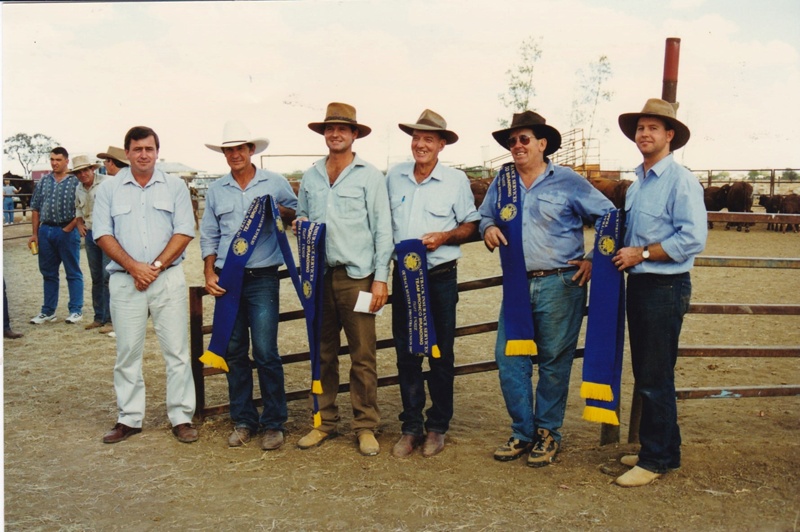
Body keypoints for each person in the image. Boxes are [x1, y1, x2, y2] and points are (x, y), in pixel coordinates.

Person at [479, 110, 614, 467]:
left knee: (554, 362)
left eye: (524, 139)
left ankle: (547, 433)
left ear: (542, 144)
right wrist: (488, 227)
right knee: (509, 360)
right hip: (516, 284)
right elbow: (485, 214)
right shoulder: (503, 181)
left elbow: (609, 216)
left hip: (560, 282)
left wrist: (593, 258)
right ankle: (522, 431)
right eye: (512, 141)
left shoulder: (568, 180)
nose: (517, 145)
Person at [612, 98, 707, 487]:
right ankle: (665, 449)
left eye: (653, 128)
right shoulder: (638, 185)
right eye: (640, 128)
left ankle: (654, 460)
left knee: (654, 374)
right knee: (650, 371)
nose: (644, 134)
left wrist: (644, 253)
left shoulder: (680, 180)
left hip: (664, 286)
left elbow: (692, 238)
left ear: (670, 135)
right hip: (642, 284)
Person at [293, 102, 392, 456]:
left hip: (358, 277)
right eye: (329, 129)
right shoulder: (311, 176)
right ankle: (324, 422)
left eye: (342, 129)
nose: (335, 134)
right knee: (323, 353)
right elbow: (302, 217)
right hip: (320, 277)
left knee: (363, 354)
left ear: (354, 134)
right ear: (324, 134)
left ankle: (365, 426)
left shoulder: (369, 176)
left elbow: (383, 230)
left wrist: (380, 278)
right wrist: (301, 225)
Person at [93, 126, 198, 444]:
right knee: (127, 352)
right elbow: (102, 234)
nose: (143, 155)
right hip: (126, 282)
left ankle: (181, 417)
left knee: (177, 351)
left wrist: (154, 267)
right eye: (137, 149)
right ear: (126, 153)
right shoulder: (108, 189)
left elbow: (184, 231)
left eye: (149, 149)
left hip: (167, 279)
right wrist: (133, 267)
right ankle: (129, 418)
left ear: (157, 152)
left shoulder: (175, 186)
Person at [386, 109, 479, 458]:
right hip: (404, 277)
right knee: (407, 354)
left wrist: (445, 236)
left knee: (441, 354)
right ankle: (410, 427)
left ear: (442, 144)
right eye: (416, 138)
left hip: (439, 277)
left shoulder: (455, 181)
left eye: (428, 139)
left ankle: (437, 427)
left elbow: (470, 225)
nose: (420, 144)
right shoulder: (394, 177)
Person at [200, 120, 297, 450]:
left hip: (263, 276)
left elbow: (295, 213)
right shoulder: (217, 190)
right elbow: (209, 234)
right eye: (228, 150)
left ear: (251, 150)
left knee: (266, 351)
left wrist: (276, 210)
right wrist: (209, 271)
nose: (234, 154)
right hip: (228, 277)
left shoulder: (275, 182)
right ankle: (243, 420)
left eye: (240, 148)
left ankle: (274, 422)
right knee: (234, 350)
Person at [28, 147, 84, 325]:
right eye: (52, 159)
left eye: (58, 159)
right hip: (46, 230)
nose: (54, 163)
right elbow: (35, 208)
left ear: (66, 160)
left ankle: (75, 310)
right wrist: (35, 234)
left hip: (67, 231)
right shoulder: (44, 181)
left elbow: (82, 207)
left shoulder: (76, 181)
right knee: (48, 273)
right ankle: (48, 311)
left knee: (72, 272)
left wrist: (69, 227)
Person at [93, 146, 130, 336]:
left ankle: (117, 323)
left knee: (113, 279)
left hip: (116, 240)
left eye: (106, 161)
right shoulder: (117, 184)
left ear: (112, 162)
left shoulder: (113, 185)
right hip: (119, 238)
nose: (105, 165)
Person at [72, 155, 110, 332]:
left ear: (92, 170)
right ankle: (99, 317)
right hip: (90, 233)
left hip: (107, 233)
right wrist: (79, 224)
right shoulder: (79, 188)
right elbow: (78, 208)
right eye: (78, 172)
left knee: (108, 276)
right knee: (96, 277)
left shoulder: (107, 183)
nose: (83, 174)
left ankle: (110, 319)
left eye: (85, 170)